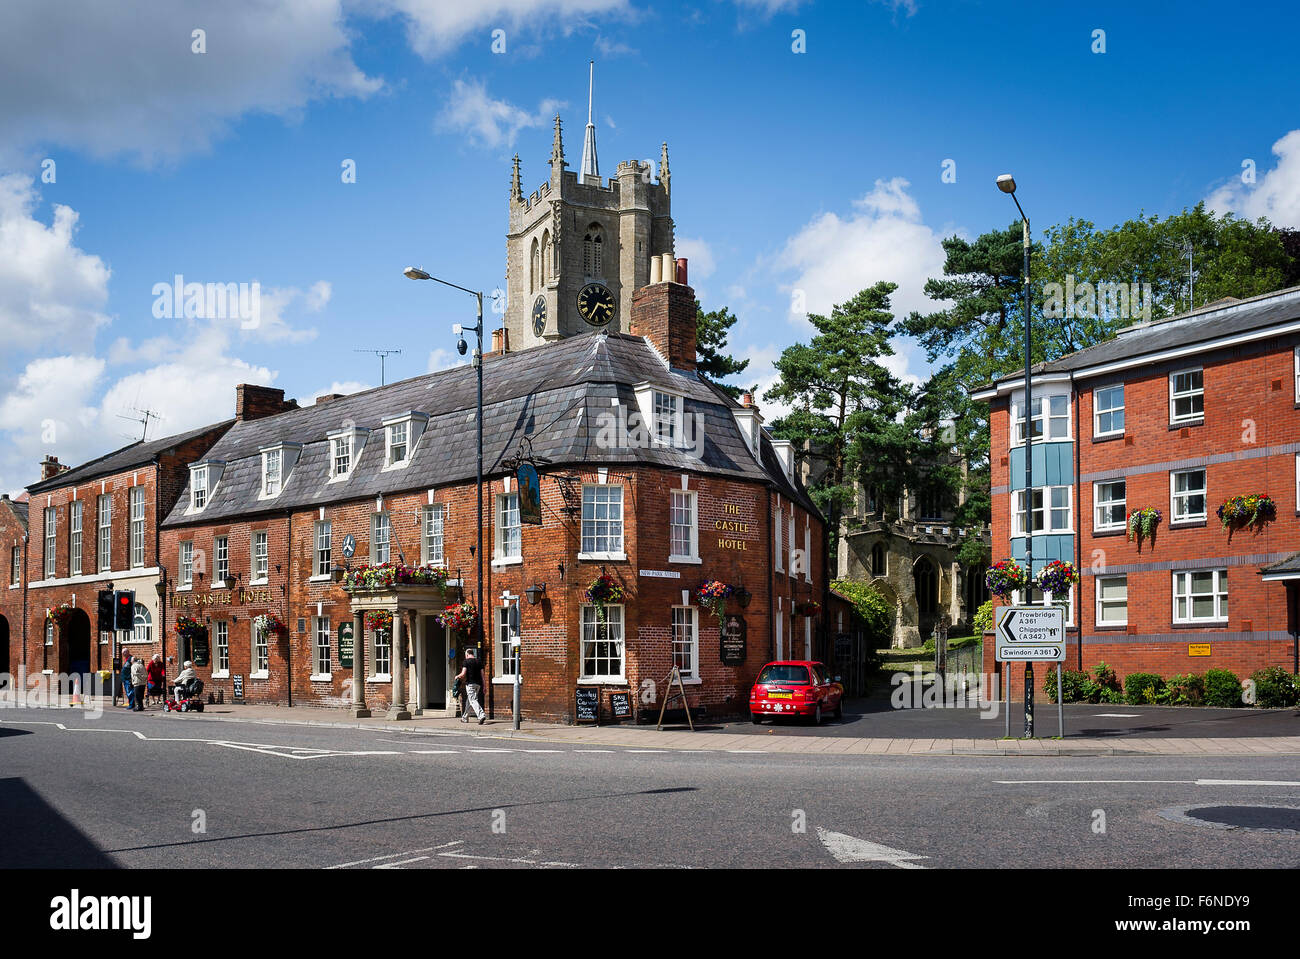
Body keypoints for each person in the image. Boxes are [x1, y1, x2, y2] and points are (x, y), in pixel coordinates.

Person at [456, 649, 486, 725]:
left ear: (467, 654)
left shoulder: (466, 662)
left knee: (473, 700)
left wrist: (457, 676)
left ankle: (481, 715)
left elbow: (463, 674)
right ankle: (465, 718)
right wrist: (484, 686)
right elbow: (483, 675)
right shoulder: (479, 661)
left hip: (470, 684)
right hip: (478, 685)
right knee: (469, 701)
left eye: (465, 655)